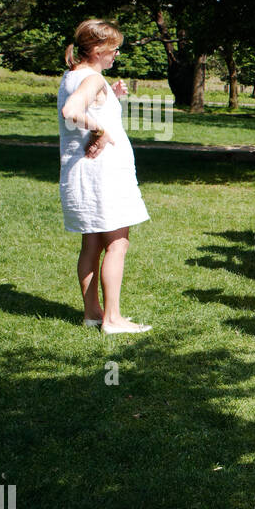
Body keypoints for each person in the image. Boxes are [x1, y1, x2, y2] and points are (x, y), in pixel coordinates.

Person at [57, 18, 151, 334]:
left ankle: (93, 313)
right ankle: (113, 319)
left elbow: (85, 101)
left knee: (91, 244)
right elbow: (72, 111)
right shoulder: (93, 79)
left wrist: (110, 94)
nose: (116, 56)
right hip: (103, 176)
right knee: (117, 244)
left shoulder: (74, 75)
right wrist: (99, 130)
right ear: (97, 50)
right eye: (113, 50)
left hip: (81, 175)